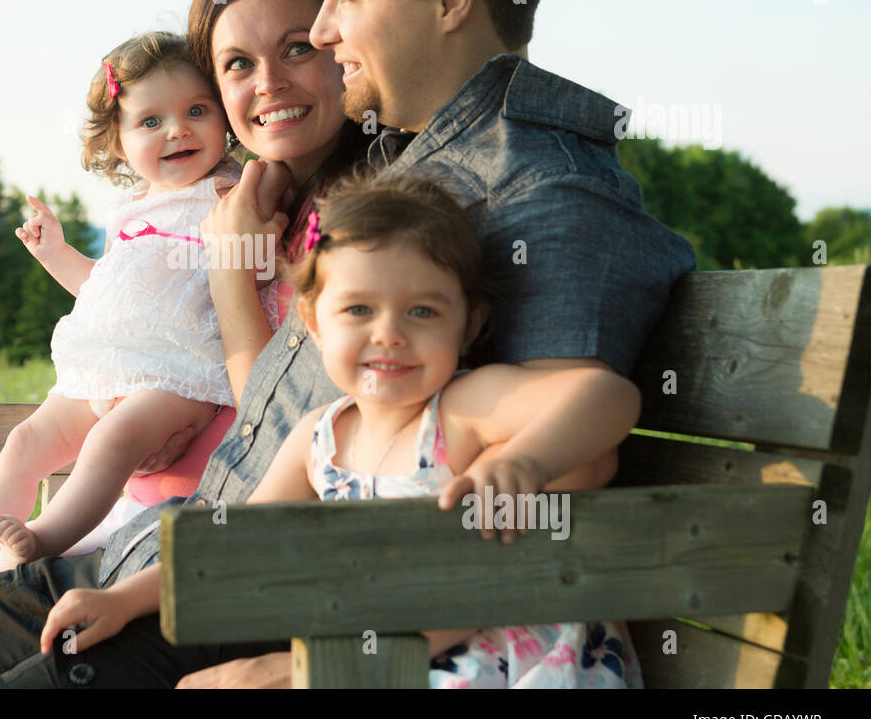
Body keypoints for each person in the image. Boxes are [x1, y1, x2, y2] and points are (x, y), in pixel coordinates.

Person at [0, 0, 695, 690]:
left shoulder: (547, 195)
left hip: (267, 604)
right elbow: (282, 428)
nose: (324, 29)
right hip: (176, 563)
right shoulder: (400, 176)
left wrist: (305, 668)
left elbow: (562, 491)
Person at [38, 172, 645, 687]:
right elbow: (234, 544)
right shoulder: (319, 438)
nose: (389, 334)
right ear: (313, 321)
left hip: (505, 663)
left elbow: (607, 395)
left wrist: (526, 461)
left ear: (469, 323)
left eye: (423, 311)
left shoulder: (461, 409)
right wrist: (122, 600)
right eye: (358, 309)